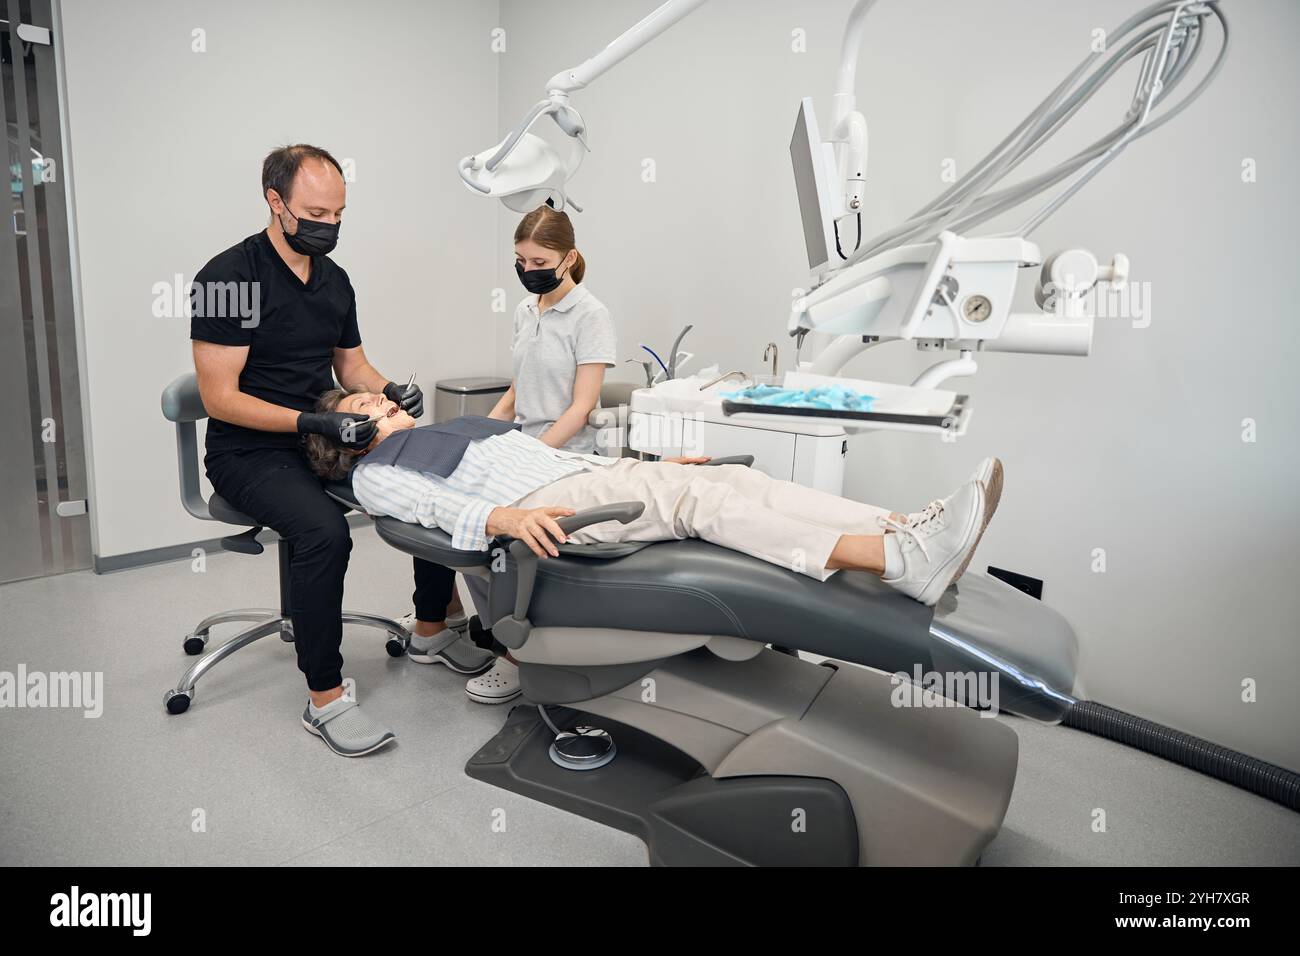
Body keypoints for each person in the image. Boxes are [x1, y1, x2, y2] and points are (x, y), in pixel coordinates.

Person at [189, 144, 487, 760]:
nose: (330, 225)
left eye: (339, 213)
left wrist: (387, 391)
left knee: (420, 482)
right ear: (275, 203)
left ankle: (431, 628)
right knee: (324, 531)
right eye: (316, 212)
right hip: (249, 451)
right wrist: (312, 419)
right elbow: (219, 399)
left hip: (324, 434)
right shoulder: (225, 279)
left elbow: (352, 366)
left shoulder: (333, 280)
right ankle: (324, 696)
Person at [306, 387, 1005, 611]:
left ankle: (902, 527)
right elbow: (431, 512)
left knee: (736, 481)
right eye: (368, 407)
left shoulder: (447, 430)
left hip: (574, 477)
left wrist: (651, 461)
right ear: (352, 433)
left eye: (381, 398)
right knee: (702, 508)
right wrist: (506, 519)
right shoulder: (375, 473)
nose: (387, 404)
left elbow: (554, 453)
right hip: (552, 510)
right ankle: (894, 561)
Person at [395, 205, 616, 703]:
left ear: (569, 258)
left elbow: (581, 407)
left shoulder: (591, 316)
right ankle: (444, 613)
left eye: (539, 260)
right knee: (444, 509)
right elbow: (518, 391)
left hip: (562, 455)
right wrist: (472, 432)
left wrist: (531, 455)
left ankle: (513, 659)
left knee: (493, 546)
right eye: (520, 259)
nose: (527, 269)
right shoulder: (525, 311)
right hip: (518, 443)